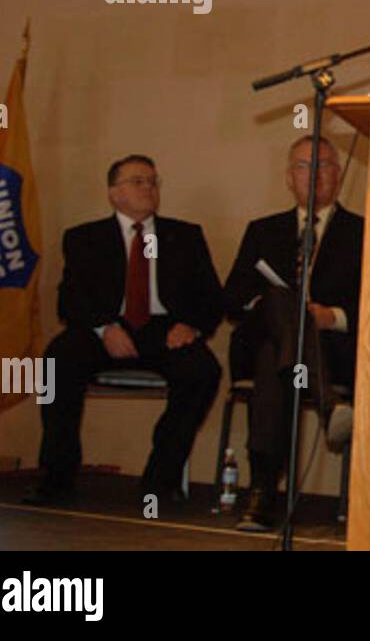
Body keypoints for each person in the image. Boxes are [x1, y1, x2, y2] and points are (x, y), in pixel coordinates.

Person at [27, 155, 223, 506]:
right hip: (103, 329)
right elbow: (69, 301)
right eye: (138, 181)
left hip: (164, 330)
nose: (148, 188)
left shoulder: (185, 235)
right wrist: (104, 329)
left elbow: (211, 297)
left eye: (153, 181)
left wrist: (190, 325)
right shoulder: (84, 238)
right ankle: (57, 478)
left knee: (203, 370)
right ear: (114, 193)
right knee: (57, 361)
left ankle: (159, 480)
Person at [223, 136, 364, 531]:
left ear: (338, 176)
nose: (314, 175)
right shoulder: (262, 230)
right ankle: (328, 405)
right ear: (289, 178)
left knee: (275, 359)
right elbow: (231, 299)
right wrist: (275, 308)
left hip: (330, 351)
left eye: (325, 166)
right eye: (304, 166)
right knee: (280, 304)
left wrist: (330, 317)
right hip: (260, 339)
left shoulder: (363, 233)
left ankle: (262, 493)